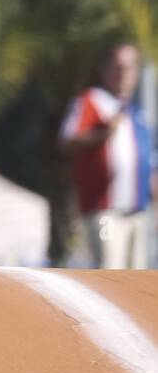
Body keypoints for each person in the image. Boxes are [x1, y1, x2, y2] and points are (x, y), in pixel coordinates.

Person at [59, 42, 155, 268]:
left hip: (138, 214)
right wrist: (102, 134)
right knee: (110, 273)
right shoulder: (90, 101)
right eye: (117, 66)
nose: (123, 73)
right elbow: (67, 141)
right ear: (104, 69)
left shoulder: (138, 113)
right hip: (105, 212)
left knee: (138, 280)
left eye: (130, 67)